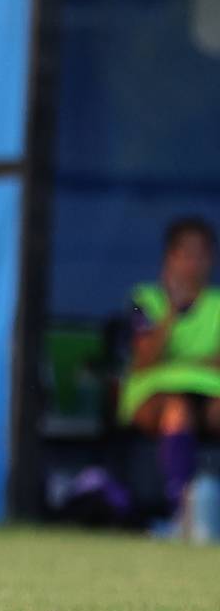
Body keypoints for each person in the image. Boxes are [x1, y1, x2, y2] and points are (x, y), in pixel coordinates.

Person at [120, 217, 220, 522]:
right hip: (155, 395)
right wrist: (172, 311)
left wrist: (178, 362)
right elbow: (144, 359)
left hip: (209, 392)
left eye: (201, 254)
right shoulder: (141, 299)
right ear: (169, 258)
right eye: (186, 254)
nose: (194, 263)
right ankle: (179, 511)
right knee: (177, 412)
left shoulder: (216, 303)